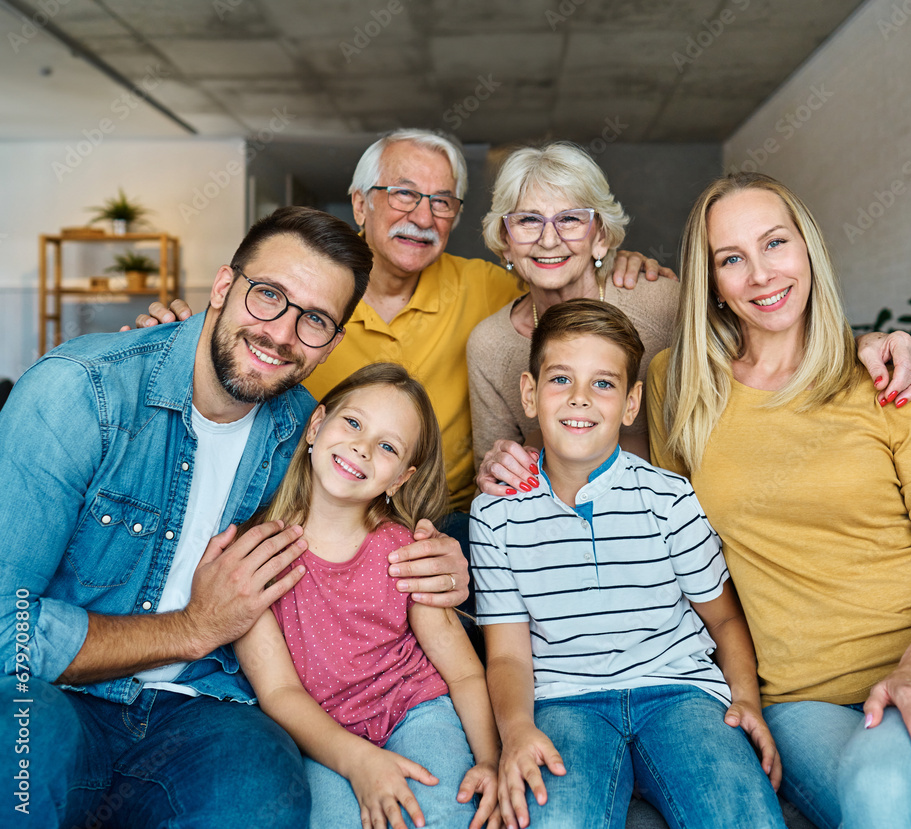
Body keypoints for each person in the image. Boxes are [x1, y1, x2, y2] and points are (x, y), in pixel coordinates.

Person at [0, 207, 469, 828]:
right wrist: (192, 627)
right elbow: (8, 623)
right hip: (59, 695)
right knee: (24, 748)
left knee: (260, 785)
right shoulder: (79, 394)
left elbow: (376, 512)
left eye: (316, 320)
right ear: (224, 286)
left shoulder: (305, 433)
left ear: (332, 341)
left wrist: (440, 559)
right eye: (269, 295)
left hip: (210, 703)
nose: (281, 333)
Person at [646, 172, 911, 829]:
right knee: (885, 796)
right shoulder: (680, 384)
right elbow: (682, 561)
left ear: (807, 248)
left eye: (775, 243)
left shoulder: (882, 375)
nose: (760, 274)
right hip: (803, 700)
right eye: (732, 258)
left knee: (887, 793)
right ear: (712, 283)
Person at [136, 129, 669, 536]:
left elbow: (565, 276)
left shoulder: (488, 288)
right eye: (404, 194)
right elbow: (241, 330)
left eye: (442, 202)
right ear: (361, 203)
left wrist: (628, 265)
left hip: (445, 525)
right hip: (321, 514)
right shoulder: (314, 300)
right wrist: (180, 336)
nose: (422, 215)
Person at [470, 299, 785, 829]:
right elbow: (506, 657)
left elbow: (725, 618)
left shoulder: (669, 497)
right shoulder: (495, 515)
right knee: (556, 821)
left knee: (741, 814)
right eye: (560, 379)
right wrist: (518, 729)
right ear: (529, 392)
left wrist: (748, 702)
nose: (579, 399)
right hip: (566, 703)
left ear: (631, 403)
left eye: (603, 384)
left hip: (680, 693)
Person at [234, 363, 500, 829]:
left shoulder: (405, 552)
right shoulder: (259, 557)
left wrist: (491, 760)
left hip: (416, 712)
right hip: (322, 736)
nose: (362, 447)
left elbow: (462, 672)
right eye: (353, 423)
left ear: (399, 479)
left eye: (387, 447)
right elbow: (278, 692)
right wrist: (357, 759)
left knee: (438, 816)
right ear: (315, 426)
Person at [467, 142, 680, 485]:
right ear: (505, 240)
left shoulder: (663, 304)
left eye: (569, 219)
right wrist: (498, 466)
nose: (549, 240)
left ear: (600, 236)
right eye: (528, 220)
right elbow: (494, 480)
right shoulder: (489, 344)